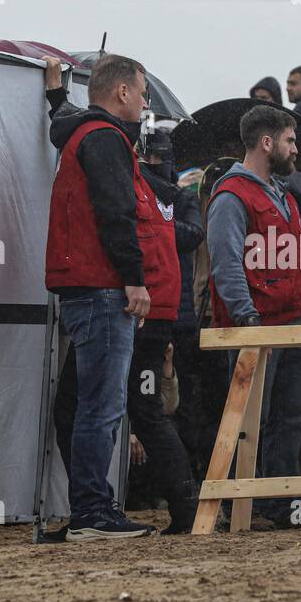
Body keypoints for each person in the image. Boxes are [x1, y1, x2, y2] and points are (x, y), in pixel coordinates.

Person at [44, 54, 171, 540]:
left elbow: (61, 124)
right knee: (102, 405)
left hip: (80, 286)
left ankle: (86, 511)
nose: (144, 101)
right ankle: (93, 514)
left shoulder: (79, 133)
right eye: (141, 92)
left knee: (81, 403)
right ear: (121, 92)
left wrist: (56, 96)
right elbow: (117, 213)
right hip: (102, 289)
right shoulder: (106, 139)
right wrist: (134, 279)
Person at [206, 105, 301, 527]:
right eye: (291, 140)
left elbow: (296, 264)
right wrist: (248, 322)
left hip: (294, 323)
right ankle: (241, 507)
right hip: (259, 326)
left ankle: (276, 505)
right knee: (248, 418)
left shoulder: (285, 197)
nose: (296, 150)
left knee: (292, 415)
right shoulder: (230, 197)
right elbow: (226, 265)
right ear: (267, 142)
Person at [125, 125, 203, 534]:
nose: (156, 163)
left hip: (176, 318)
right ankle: (176, 498)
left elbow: (193, 235)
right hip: (158, 312)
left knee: (174, 412)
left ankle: (184, 499)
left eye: (161, 157)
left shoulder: (180, 196)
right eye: (150, 157)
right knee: (147, 409)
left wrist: (157, 223)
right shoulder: (148, 191)